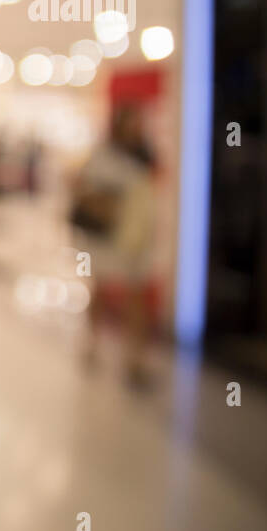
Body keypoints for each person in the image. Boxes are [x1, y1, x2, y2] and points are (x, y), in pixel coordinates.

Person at [70, 105, 157, 386]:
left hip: (136, 234)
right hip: (106, 235)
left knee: (136, 294)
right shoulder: (104, 155)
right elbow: (86, 185)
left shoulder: (145, 156)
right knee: (100, 288)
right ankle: (91, 343)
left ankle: (135, 357)